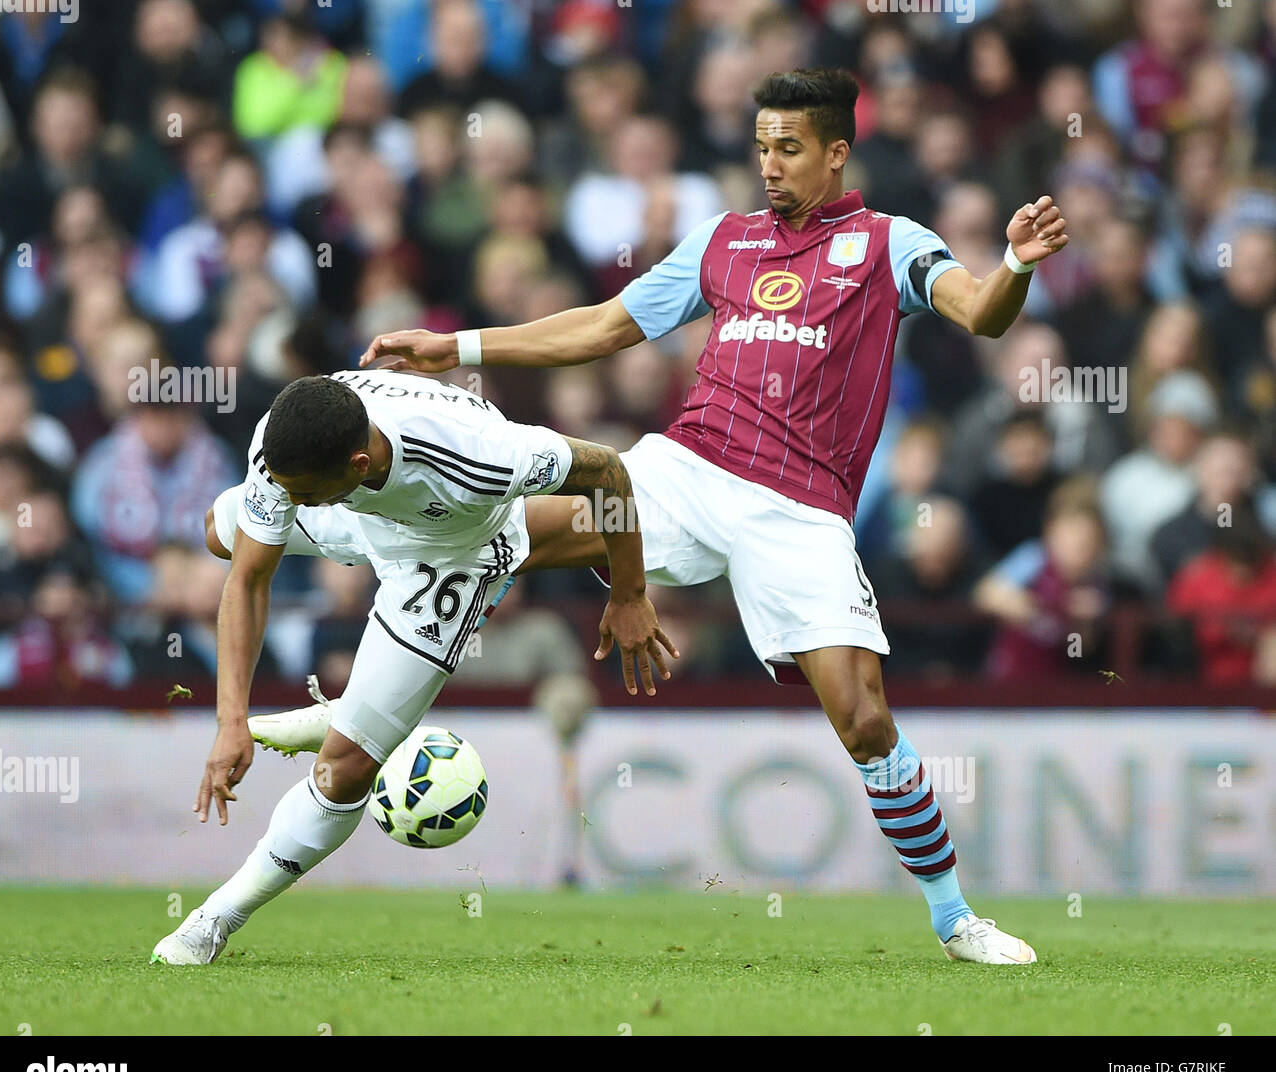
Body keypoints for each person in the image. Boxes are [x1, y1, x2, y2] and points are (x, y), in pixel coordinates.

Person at [351, 67, 1067, 963]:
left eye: (791, 148)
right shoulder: (722, 241)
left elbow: (982, 316)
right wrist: (454, 347)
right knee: (510, 532)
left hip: (799, 511)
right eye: (762, 145)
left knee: (864, 719)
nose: (770, 164)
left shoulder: (888, 244)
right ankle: (359, 623)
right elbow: (606, 326)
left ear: (837, 152)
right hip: (687, 469)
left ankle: (955, 918)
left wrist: (1014, 269)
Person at [150, 372, 674, 965]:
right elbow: (248, 579)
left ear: (355, 462)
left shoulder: (479, 457)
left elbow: (603, 468)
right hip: (360, 515)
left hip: (448, 554)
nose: (287, 497)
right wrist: (231, 720)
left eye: (301, 491)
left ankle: (213, 920)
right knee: (220, 536)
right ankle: (362, 709)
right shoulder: (285, 445)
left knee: (344, 769)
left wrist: (629, 593)